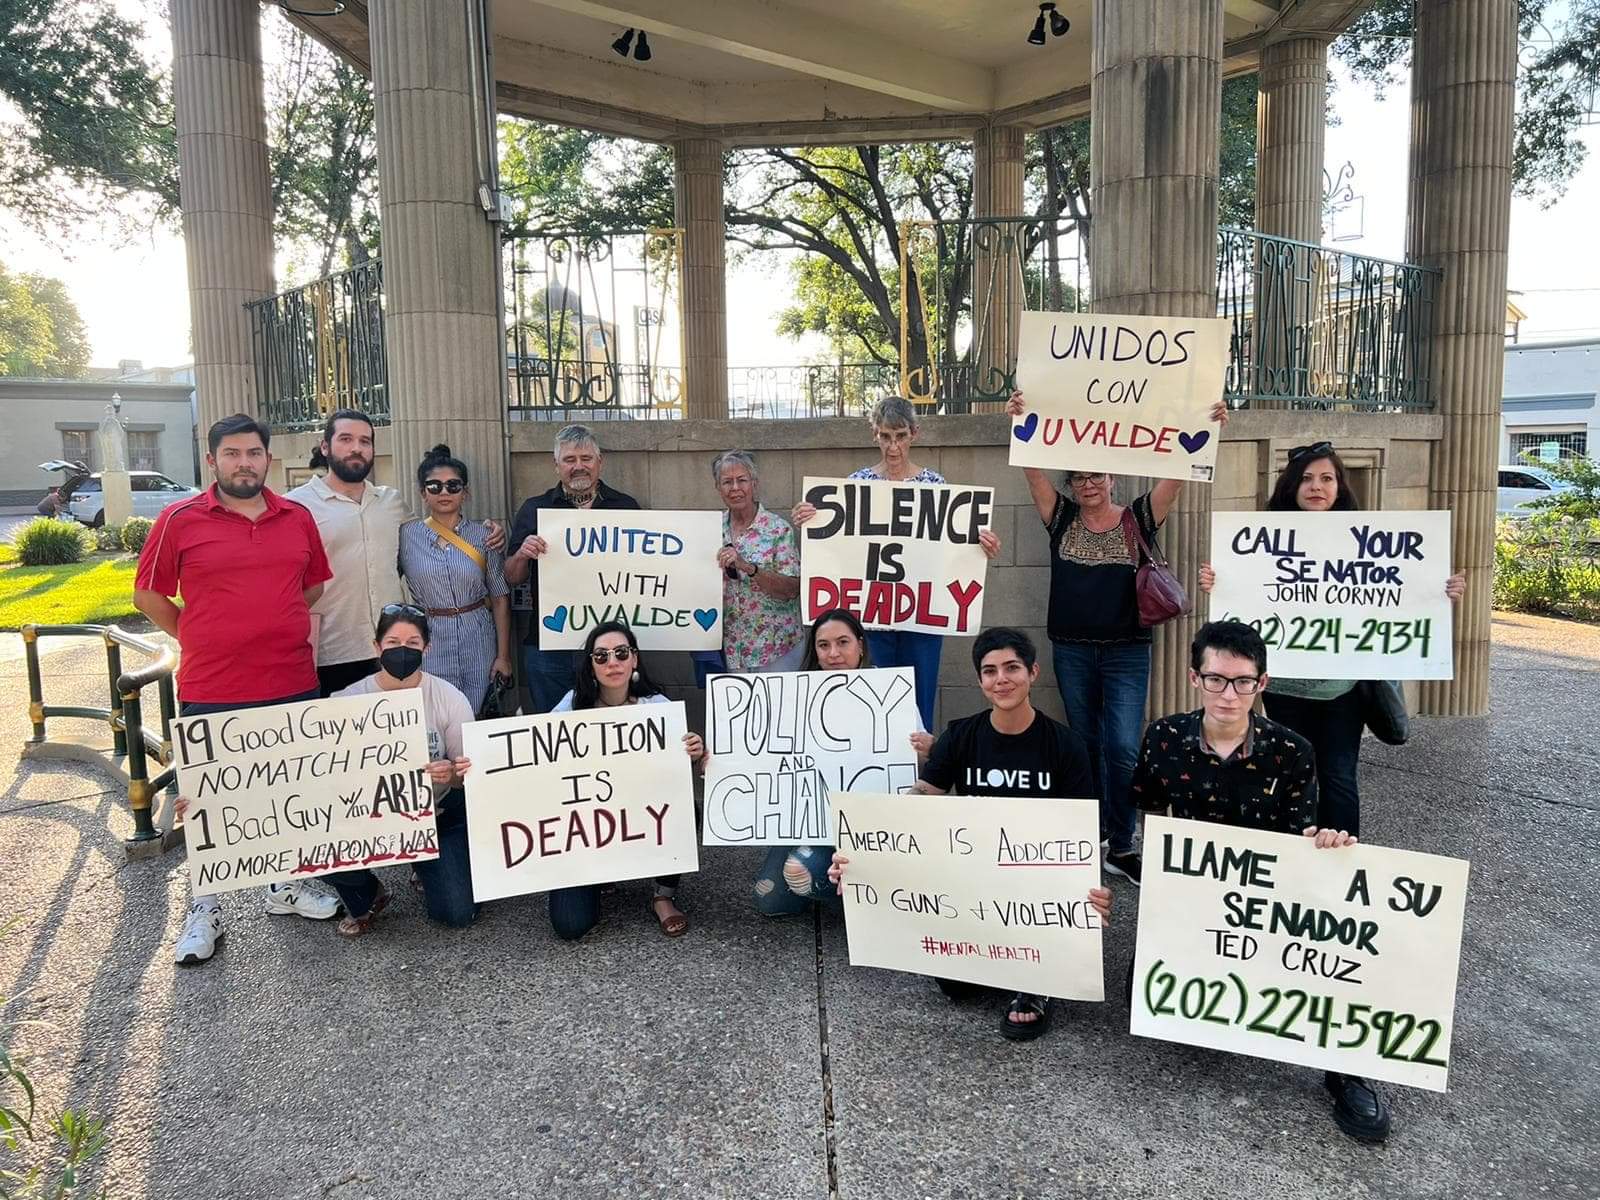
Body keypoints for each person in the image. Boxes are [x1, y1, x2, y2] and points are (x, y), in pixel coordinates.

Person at [1128, 619, 1390, 1143]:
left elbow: (1299, 843)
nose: (1229, 694)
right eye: (1216, 679)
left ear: (1262, 683)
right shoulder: (1164, 738)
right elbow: (1152, 813)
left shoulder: (1292, 751)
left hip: (1266, 901)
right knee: (1151, 990)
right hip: (1196, 894)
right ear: (1195, 678)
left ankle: (1346, 1070)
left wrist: (1326, 848)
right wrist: (1163, 898)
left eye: (1243, 681)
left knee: (1332, 956)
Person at [829, 627, 1111, 1042]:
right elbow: (918, 802)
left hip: (1037, 883)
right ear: (980, 680)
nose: (1002, 680)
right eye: (990, 671)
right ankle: (996, 956)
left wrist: (1092, 891)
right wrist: (862, 853)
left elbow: (1079, 836)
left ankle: (1037, 983)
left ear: (1032, 672)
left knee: (1041, 952)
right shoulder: (960, 736)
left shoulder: (1066, 745)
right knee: (955, 986)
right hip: (977, 883)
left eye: (1012, 668)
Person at [133, 413, 341, 965]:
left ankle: (285, 884)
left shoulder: (297, 516)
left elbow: (312, 587)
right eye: (232, 453)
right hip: (213, 683)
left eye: (253, 453)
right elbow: (148, 596)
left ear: (267, 458)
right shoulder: (179, 519)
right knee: (208, 802)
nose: (243, 463)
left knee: (289, 791)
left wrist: (273, 621)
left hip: (291, 678)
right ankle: (205, 908)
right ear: (213, 460)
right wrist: (198, 634)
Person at [1004, 390, 1230, 886]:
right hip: (1072, 649)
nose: (1088, 485)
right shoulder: (1061, 517)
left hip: (1128, 651)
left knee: (1124, 746)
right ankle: (1093, 835)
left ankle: (1124, 843)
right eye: (1079, 478)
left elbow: (1178, 475)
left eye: (1097, 476)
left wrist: (1207, 425)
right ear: (1071, 484)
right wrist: (1020, 420)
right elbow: (1032, 471)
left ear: (1113, 478)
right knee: (1085, 745)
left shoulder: (1138, 518)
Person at [1197, 442, 1466, 837]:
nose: (1316, 487)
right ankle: (1293, 850)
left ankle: (1339, 858)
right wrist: (1218, 583)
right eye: (1306, 478)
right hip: (1285, 688)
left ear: (1340, 486)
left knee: (1339, 776)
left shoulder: (1367, 540)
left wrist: (1438, 591)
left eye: (1326, 478)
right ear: (1291, 486)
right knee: (1289, 774)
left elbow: (1399, 593)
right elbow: (1245, 597)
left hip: (1343, 688)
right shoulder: (1260, 539)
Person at [790, 397, 1001, 730]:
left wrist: (979, 548)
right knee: (871, 701)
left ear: (914, 434)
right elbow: (841, 549)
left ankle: (919, 762)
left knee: (920, 702)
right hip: (871, 619)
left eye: (900, 436)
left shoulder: (934, 485)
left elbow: (948, 551)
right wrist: (812, 519)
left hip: (922, 619)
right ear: (874, 434)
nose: (893, 446)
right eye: (886, 436)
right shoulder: (857, 483)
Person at [287, 411, 506, 698]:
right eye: (346, 439)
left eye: (365, 441)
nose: (356, 448)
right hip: (332, 651)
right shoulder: (295, 507)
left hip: (394, 648)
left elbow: (436, 530)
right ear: (325, 446)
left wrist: (489, 530)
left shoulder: (391, 501)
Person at [749, 608, 932, 916]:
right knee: (769, 901)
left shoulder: (890, 692)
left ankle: (868, 902)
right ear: (815, 651)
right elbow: (762, 755)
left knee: (801, 871)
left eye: (843, 642)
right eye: (824, 645)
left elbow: (918, 766)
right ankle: (829, 878)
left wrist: (927, 750)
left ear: (860, 645)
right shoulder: (793, 695)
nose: (833, 653)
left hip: (868, 825)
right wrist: (721, 763)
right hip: (811, 819)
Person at [320, 605, 479, 936]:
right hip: (365, 815)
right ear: (377, 646)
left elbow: (469, 774)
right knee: (312, 842)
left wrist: (451, 773)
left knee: (458, 912)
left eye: (412, 643)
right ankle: (367, 893)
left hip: (436, 813)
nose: (402, 651)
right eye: (393, 643)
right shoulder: (345, 701)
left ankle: (424, 862)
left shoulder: (449, 698)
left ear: (426, 648)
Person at [547, 621, 704, 939]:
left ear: (634, 659)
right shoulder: (573, 704)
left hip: (639, 814)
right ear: (591, 665)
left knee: (686, 809)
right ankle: (602, 874)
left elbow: (676, 764)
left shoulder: (656, 706)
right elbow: (536, 750)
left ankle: (663, 895)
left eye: (621, 653)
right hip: (587, 825)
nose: (612, 662)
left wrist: (694, 750)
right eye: (601, 656)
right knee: (569, 925)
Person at [506, 424, 641, 713]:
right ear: (556, 465)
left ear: (600, 462)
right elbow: (512, 577)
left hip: (609, 647)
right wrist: (522, 554)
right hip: (548, 646)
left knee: (610, 723)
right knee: (554, 728)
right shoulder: (535, 509)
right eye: (569, 459)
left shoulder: (625, 507)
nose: (578, 466)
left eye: (586, 458)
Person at [398, 444, 512, 712]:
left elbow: (499, 598)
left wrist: (503, 656)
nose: (444, 492)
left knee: (476, 713)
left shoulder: (485, 536)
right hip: (430, 637)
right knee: (434, 713)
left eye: (453, 486)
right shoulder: (405, 536)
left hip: (478, 636)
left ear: (465, 492)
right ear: (423, 493)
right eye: (434, 486)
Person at [711, 450, 805, 675]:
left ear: (754, 483)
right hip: (731, 649)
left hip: (778, 647)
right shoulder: (710, 529)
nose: (735, 488)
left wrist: (748, 567)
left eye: (742, 480)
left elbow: (792, 589)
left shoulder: (777, 529)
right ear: (718, 488)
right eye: (727, 482)